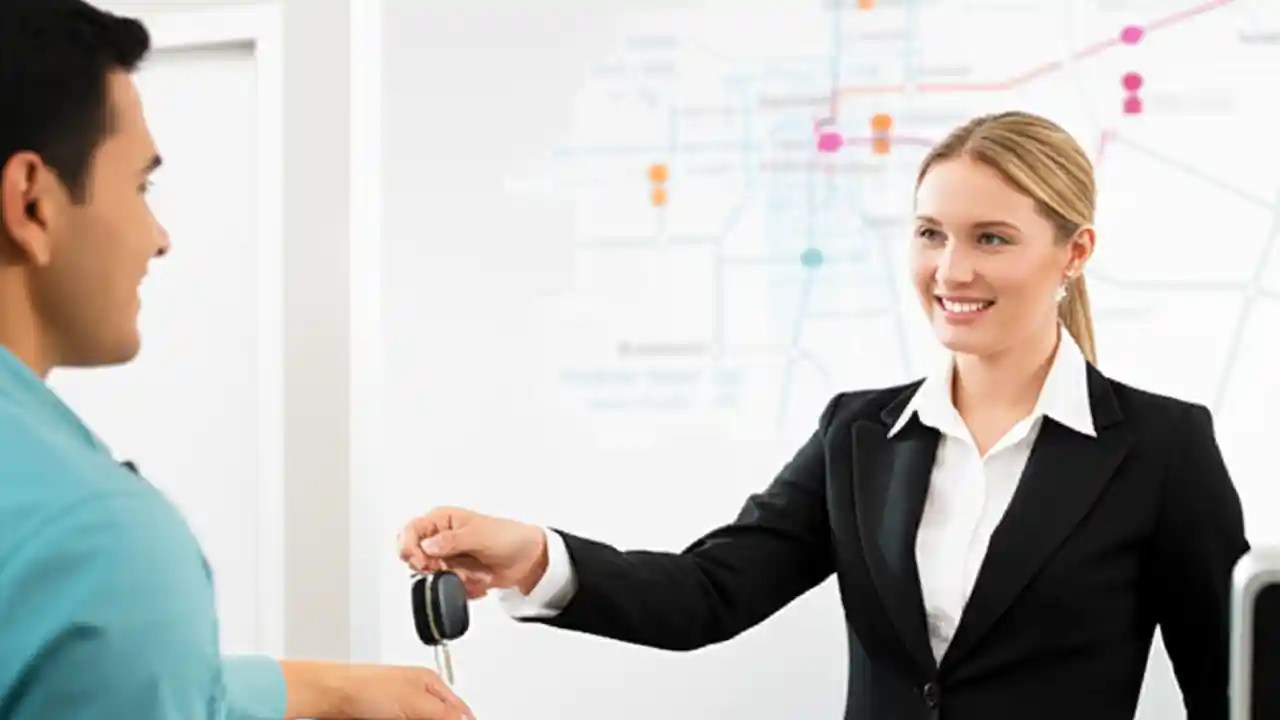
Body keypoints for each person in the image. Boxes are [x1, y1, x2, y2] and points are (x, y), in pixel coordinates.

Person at [398, 110, 1252, 719]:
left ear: (1075, 251)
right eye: (929, 233)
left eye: (991, 238)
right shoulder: (860, 436)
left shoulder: (1161, 449)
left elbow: (1234, 690)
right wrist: (533, 556)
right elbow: (708, 594)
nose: (951, 269)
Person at [0, 2, 473, 718]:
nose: (157, 238)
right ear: (32, 202)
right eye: (140, 187)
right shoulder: (98, 544)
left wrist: (331, 690)